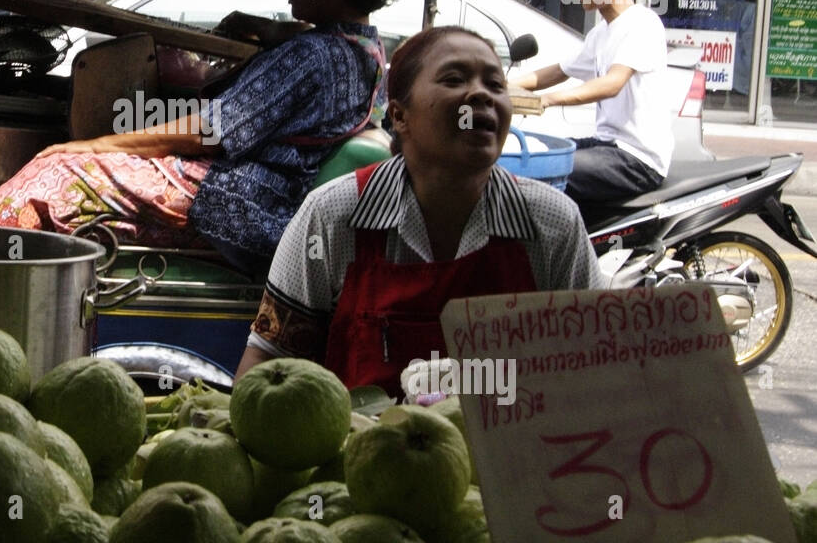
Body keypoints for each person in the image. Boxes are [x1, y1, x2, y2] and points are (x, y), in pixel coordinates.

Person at [234, 26, 601, 398]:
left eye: (495, 84)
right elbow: (270, 358)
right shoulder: (332, 215)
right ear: (399, 116)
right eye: (455, 79)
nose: (481, 94)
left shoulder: (554, 224)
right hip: (364, 452)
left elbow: (595, 367)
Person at [0, 0, 392, 275]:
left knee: (49, 172)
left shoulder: (311, 55)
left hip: (240, 199)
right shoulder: (367, 50)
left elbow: (210, 131)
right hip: (274, 196)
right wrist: (274, 31)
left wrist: (97, 144)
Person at [511, 0, 671, 222]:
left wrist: (545, 100)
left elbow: (612, 83)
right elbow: (558, 71)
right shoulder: (601, 32)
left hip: (636, 160)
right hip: (606, 146)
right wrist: (496, 85)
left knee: (542, 175)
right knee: (537, 153)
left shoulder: (642, 24)